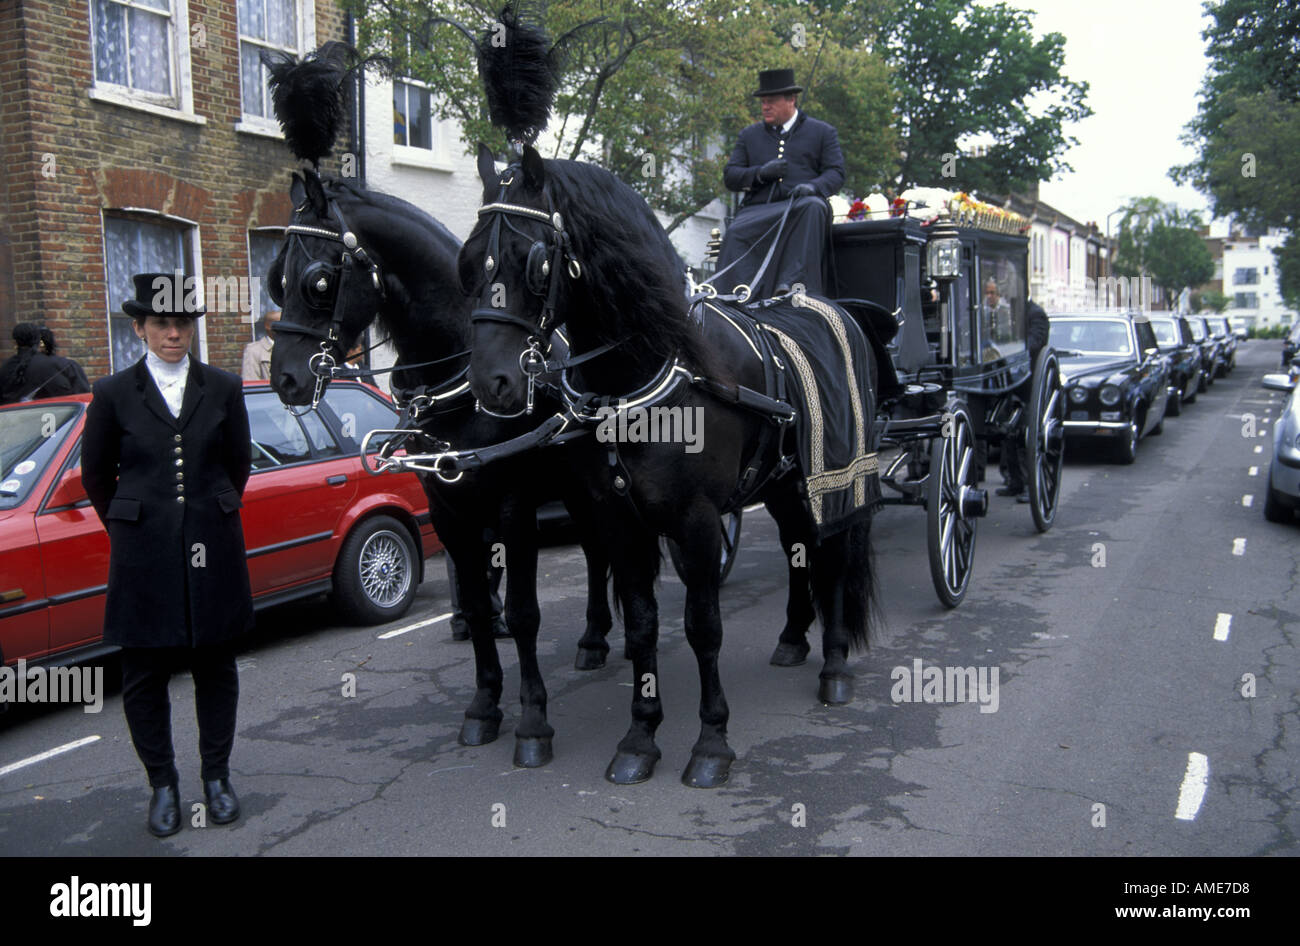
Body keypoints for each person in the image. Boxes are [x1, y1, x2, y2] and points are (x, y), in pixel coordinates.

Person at [81, 273, 254, 838]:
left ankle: (217, 777)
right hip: (144, 553)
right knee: (144, 674)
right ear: (140, 327)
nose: (173, 333)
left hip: (213, 541)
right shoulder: (111, 394)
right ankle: (162, 783)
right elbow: (95, 476)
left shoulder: (224, 387)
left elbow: (238, 464)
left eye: (182, 323)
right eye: (161, 323)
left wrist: (206, 514)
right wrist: (137, 526)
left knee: (215, 667)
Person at [715, 68, 845, 301]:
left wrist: (814, 187)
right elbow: (731, 176)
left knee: (814, 207)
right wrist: (760, 174)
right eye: (763, 102)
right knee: (735, 231)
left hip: (801, 207)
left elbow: (836, 173)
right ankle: (730, 296)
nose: (765, 107)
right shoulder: (749, 135)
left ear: (791, 100)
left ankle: (794, 285)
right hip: (759, 210)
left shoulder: (822, 132)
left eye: (771, 102)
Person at [997, 299, 1051, 502]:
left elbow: (1036, 342)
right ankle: (1015, 482)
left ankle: (1031, 485)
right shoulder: (1006, 312)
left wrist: (1011, 348)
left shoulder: (1036, 313)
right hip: (1011, 380)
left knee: (1026, 435)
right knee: (1009, 433)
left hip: (1030, 382)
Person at [0, 322, 90, 403]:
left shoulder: (4, 369)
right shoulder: (65, 365)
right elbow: (84, 400)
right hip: (58, 419)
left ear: (15, 342)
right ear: (39, 341)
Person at [241, 309, 281, 381]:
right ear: (268, 326)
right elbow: (251, 384)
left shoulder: (293, 348)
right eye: (279, 324)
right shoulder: (253, 351)